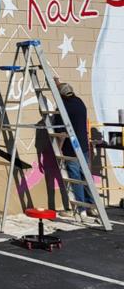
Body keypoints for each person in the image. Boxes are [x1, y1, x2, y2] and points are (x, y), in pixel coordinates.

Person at [52, 80, 95, 221]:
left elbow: (61, 133)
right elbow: (64, 89)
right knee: (85, 177)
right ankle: (91, 206)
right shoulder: (80, 102)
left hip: (71, 148)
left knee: (75, 178)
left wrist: (58, 149)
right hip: (83, 146)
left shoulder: (62, 107)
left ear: (61, 95)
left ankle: (80, 209)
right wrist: (57, 82)